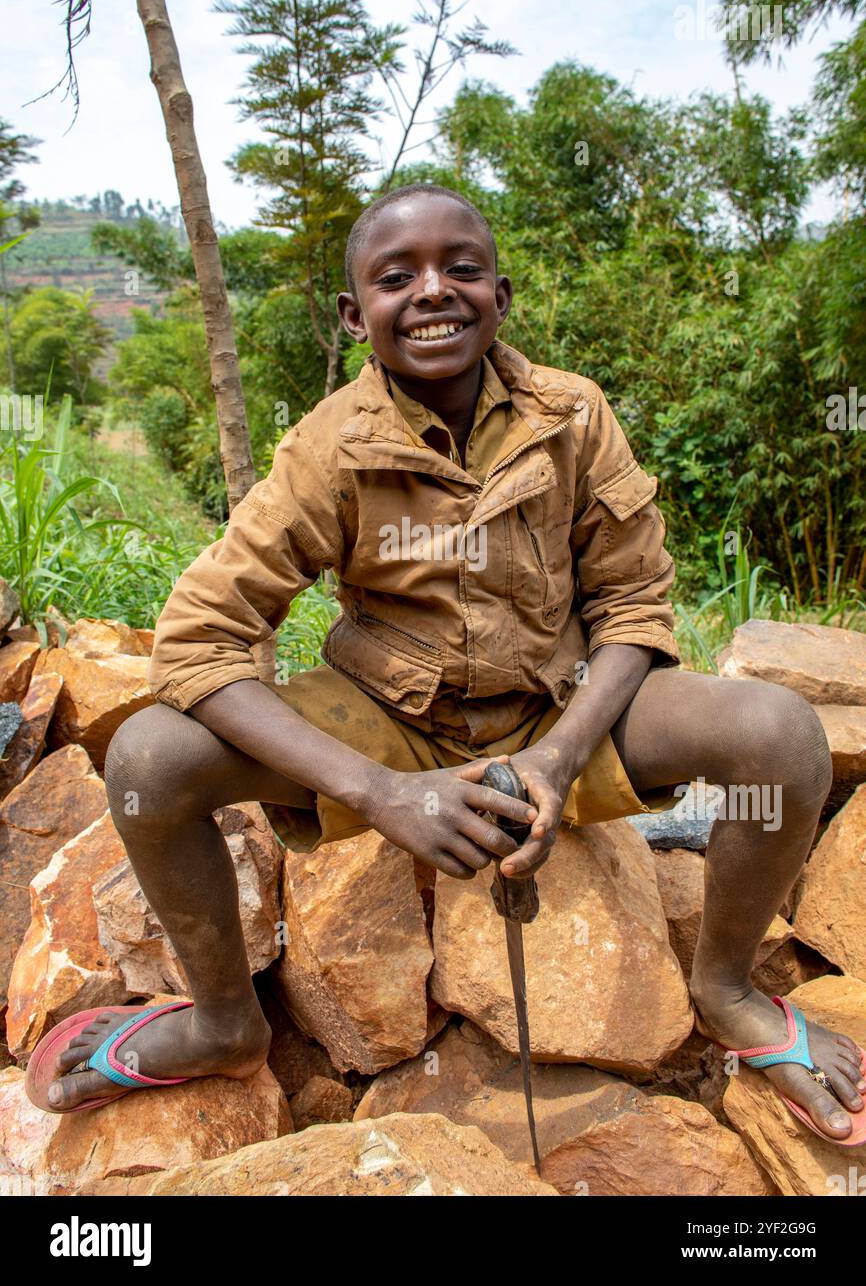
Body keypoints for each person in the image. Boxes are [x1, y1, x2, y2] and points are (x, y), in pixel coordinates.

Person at [30, 184, 866, 1142]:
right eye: (397, 278)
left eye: (461, 269)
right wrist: (383, 792)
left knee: (782, 734)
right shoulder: (329, 448)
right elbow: (199, 637)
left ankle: (724, 991)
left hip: (561, 714)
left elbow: (635, 607)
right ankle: (224, 1023)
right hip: (388, 719)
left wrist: (556, 763)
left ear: (500, 296)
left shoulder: (574, 416)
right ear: (355, 316)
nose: (433, 292)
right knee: (149, 759)